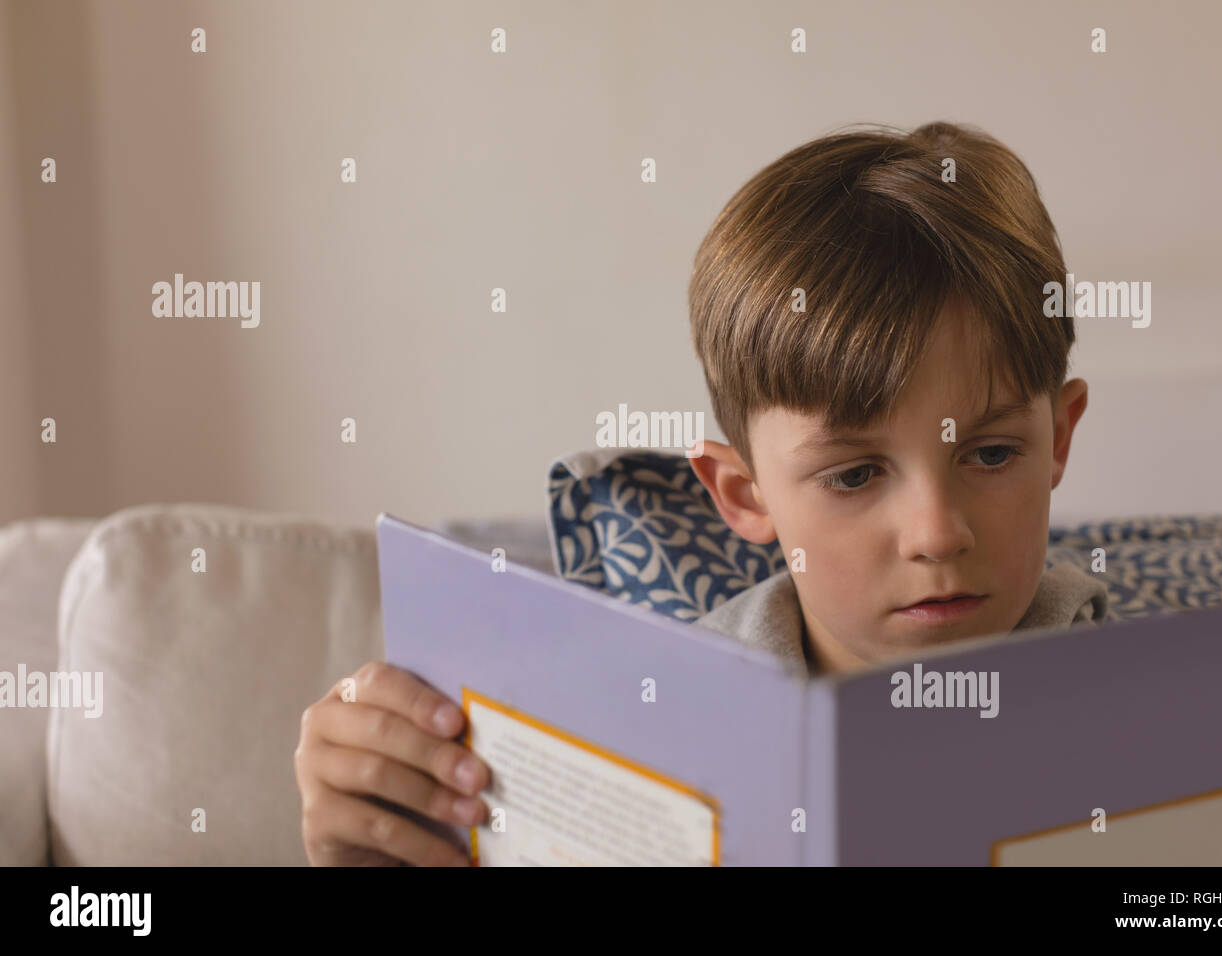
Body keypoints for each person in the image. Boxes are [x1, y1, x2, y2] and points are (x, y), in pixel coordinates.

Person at [294, 120, 1108, 865]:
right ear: (746, 495)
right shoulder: (630, 730)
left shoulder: (1155, 692)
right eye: (855, 474)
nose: (937, 532)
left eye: (993, 453)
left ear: (1059, 439)